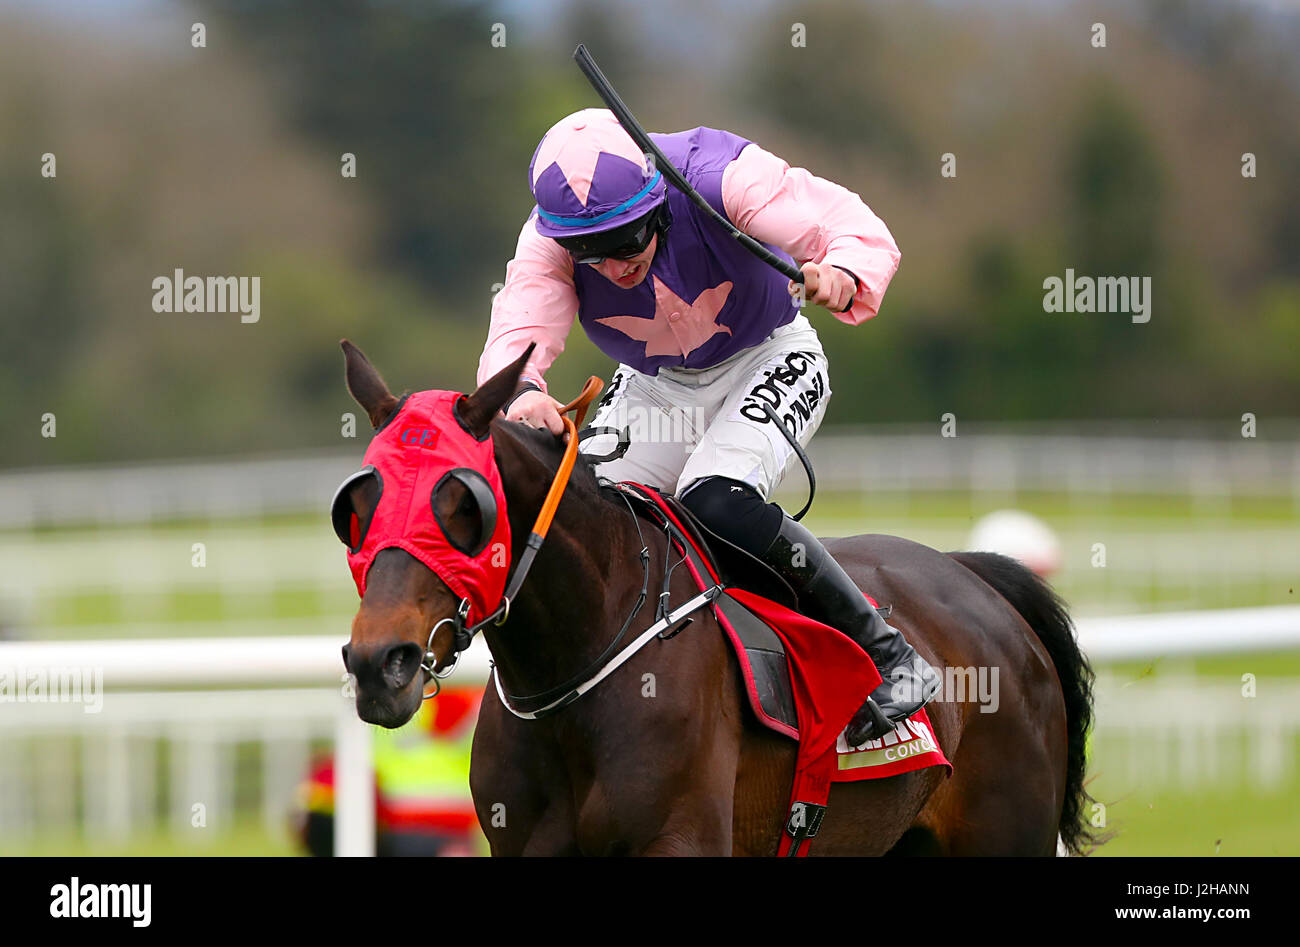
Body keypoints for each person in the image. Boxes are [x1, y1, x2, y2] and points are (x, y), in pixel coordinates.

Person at [477, 108, 938, 743]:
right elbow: (518, 334)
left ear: (655, 200)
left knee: (714, 499)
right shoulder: (548, 236)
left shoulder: (719, 176)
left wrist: (843, 270)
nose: (612, 266)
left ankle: (887, 655)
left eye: (626, 239)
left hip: (771, 354)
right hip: (656, 384)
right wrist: (523, 394)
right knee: (580, 514)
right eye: (590, 251)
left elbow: (849, 226)